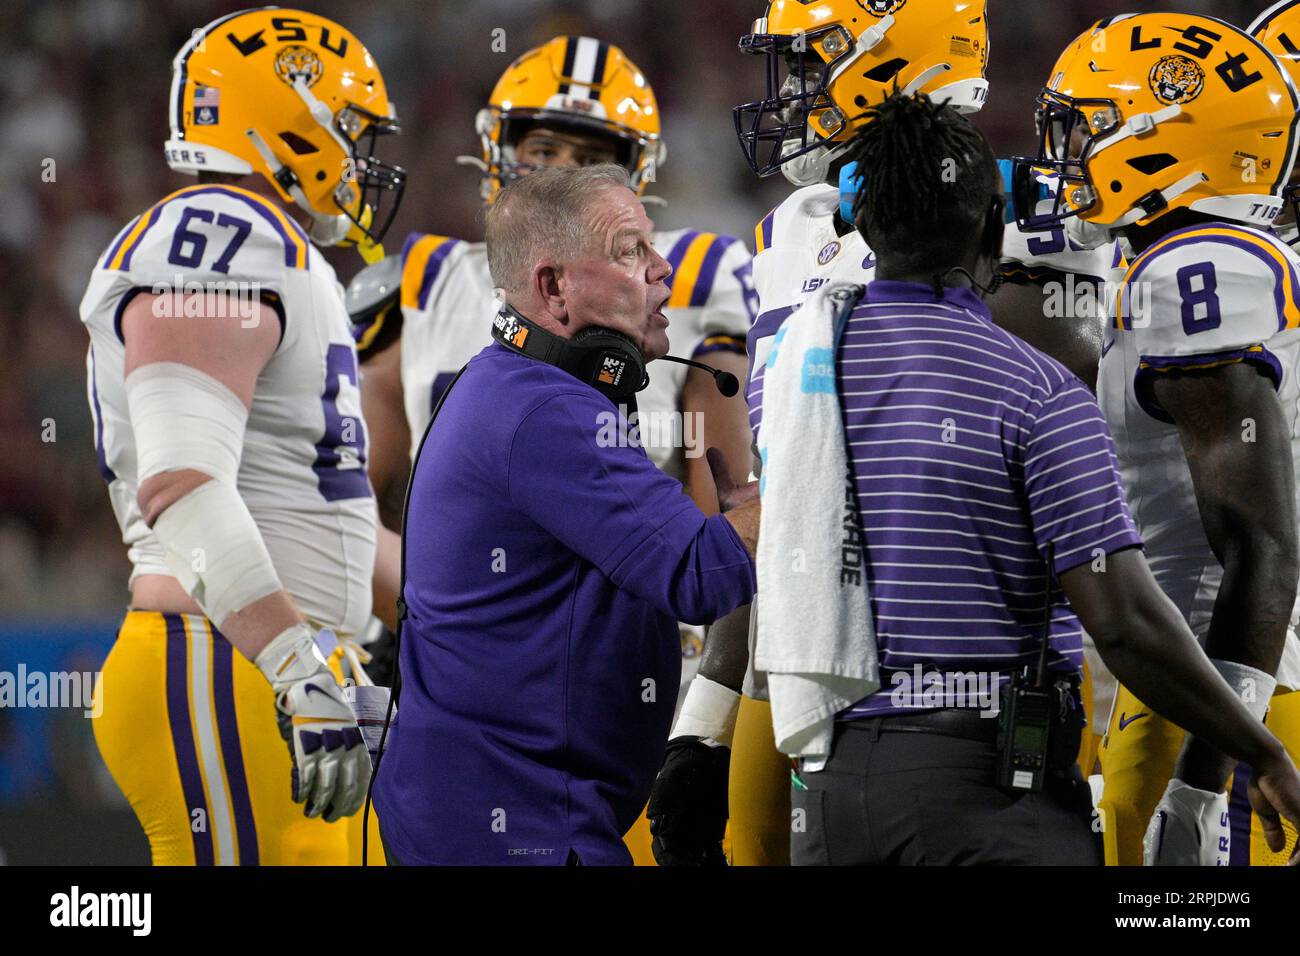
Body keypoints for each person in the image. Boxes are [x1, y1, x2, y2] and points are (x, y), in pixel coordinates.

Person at [769, 90, 1300, 866]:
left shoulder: (794, 367)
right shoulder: (1036, 391)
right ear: (993, 226)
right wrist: (1257, 752)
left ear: (858, 218)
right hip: (985, 792)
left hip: (829, 788)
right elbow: (1121, 622)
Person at [649, 0, 1118, 868]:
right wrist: (706, 716)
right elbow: (791, 491)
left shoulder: (1032, 219)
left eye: (806, 64)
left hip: (978, 682)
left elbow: (1067, 474)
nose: (788, 94)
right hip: (801, 654)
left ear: (885, 58)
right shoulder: (791, 234)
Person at [345, 36, 757, 864]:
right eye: (541, 150)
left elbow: (710, 498)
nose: (659, 276)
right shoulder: (533, 401)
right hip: (521, 797)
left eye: (589, 158)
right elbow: (712, 563)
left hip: (557, 747)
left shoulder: (526, 377)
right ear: (552, 285)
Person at [82, 8, 403, 864]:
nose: (364, 161)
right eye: (352, 130)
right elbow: (180, 486)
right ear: (294, 121)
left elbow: (326, 507)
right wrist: (299, 668)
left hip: (285, 666)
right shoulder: (220, 239)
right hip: (230, 661)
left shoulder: (281, 253)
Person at [1015, 10, 1300, 866]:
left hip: (1226, 697)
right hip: (1209, 689)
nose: (1065, 152)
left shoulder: (1197, 272)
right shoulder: (1178, 260)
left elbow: (1261, 549)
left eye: (1088, 125)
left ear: (1162, 140)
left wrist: (1210, 776)